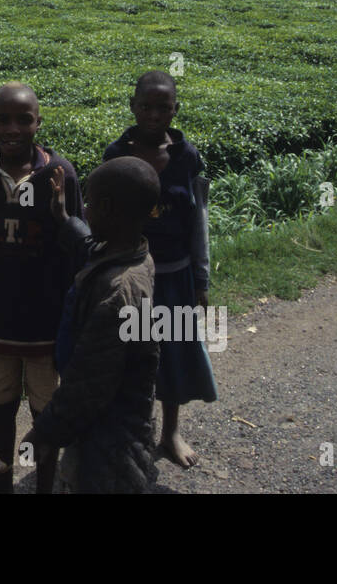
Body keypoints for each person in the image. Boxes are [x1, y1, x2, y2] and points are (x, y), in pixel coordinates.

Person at [0, 81, 83, 493]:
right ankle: (3, 486)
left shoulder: (59, 175)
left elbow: (78, 247)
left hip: (46, 320)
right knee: (1, 408)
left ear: (38, 123)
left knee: (44, 413)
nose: (13, 128)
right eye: (3, 120)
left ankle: (43, 484)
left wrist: (61, 217)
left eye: (23, 120)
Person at [21, 157, 161, 493]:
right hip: (125, 410)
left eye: (91, 202)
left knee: (103, 479)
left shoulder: (117, 294)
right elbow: (89, 248)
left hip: (109, 426)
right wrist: (65, 219)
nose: (86, 207)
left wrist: (44, 431)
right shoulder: (134, 255)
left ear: (109, 208)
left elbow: (89, 382)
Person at [103, 70, 217, 467]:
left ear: (175, 110)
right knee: (129, 354)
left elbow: (198, 219)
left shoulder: (187, 158)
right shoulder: (116, 155)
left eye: (163, 108)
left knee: (174, 354)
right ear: (133, 107)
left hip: (175, 274)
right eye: (146, 107)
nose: (154, 115)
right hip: (130, 277)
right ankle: (133, 434)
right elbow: (104, 215)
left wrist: (200, 277)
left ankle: (170, 432)